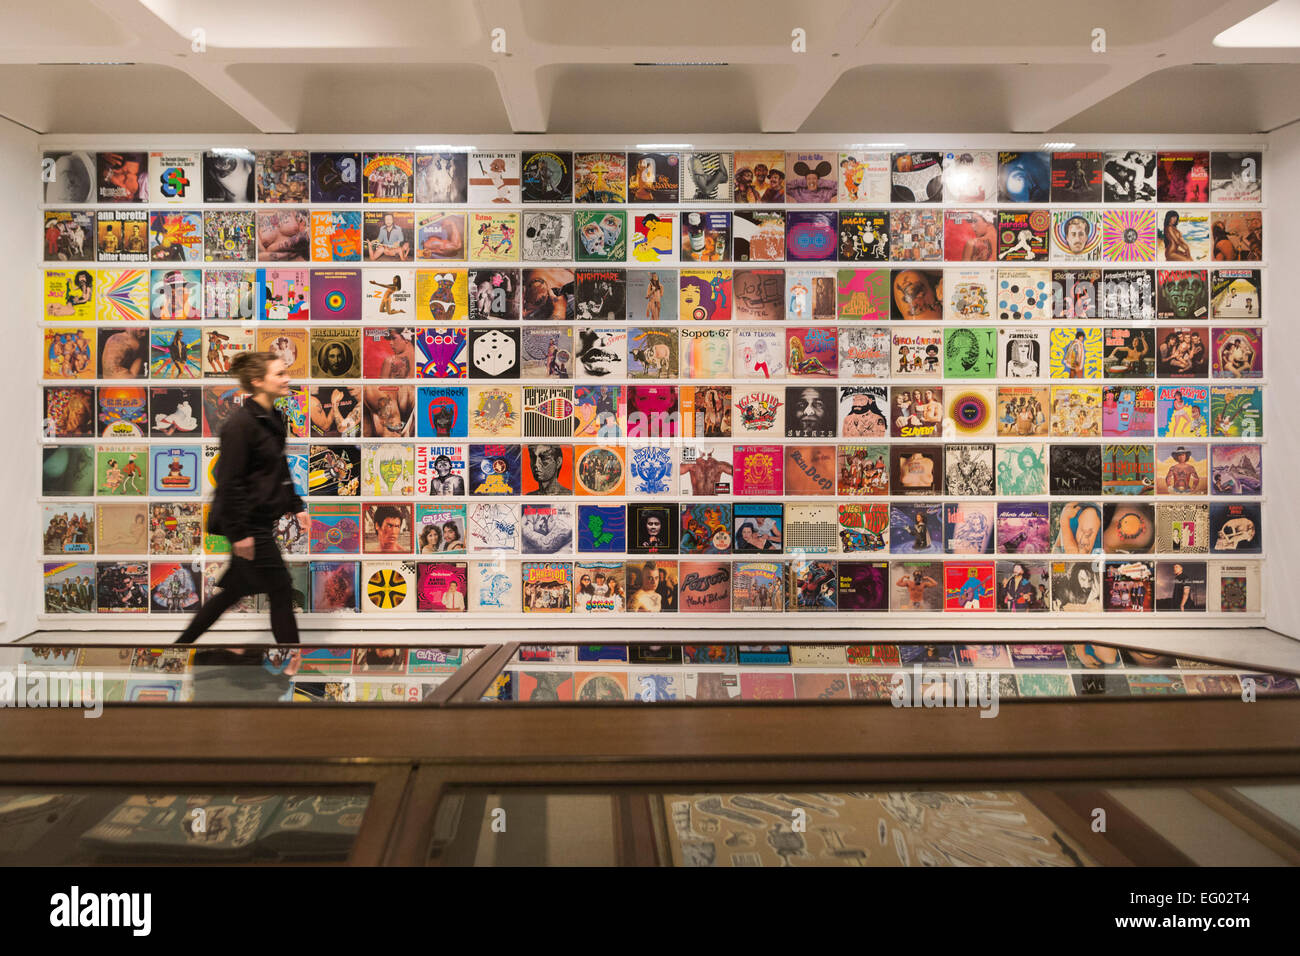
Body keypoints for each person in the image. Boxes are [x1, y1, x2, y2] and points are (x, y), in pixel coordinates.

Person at [177, 352, 307, 645]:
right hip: (249, 524)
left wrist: (297, 506)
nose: (287, 379)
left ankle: (180, 645)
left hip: (258, 521)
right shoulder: (240, 425)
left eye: (286, 373)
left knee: (233, 592)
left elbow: (279, 467)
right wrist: (240, 534)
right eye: (279, 374)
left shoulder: (273, 417)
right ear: (258, 382)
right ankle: (291, 655)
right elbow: (229, 482)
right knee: (282, 588)